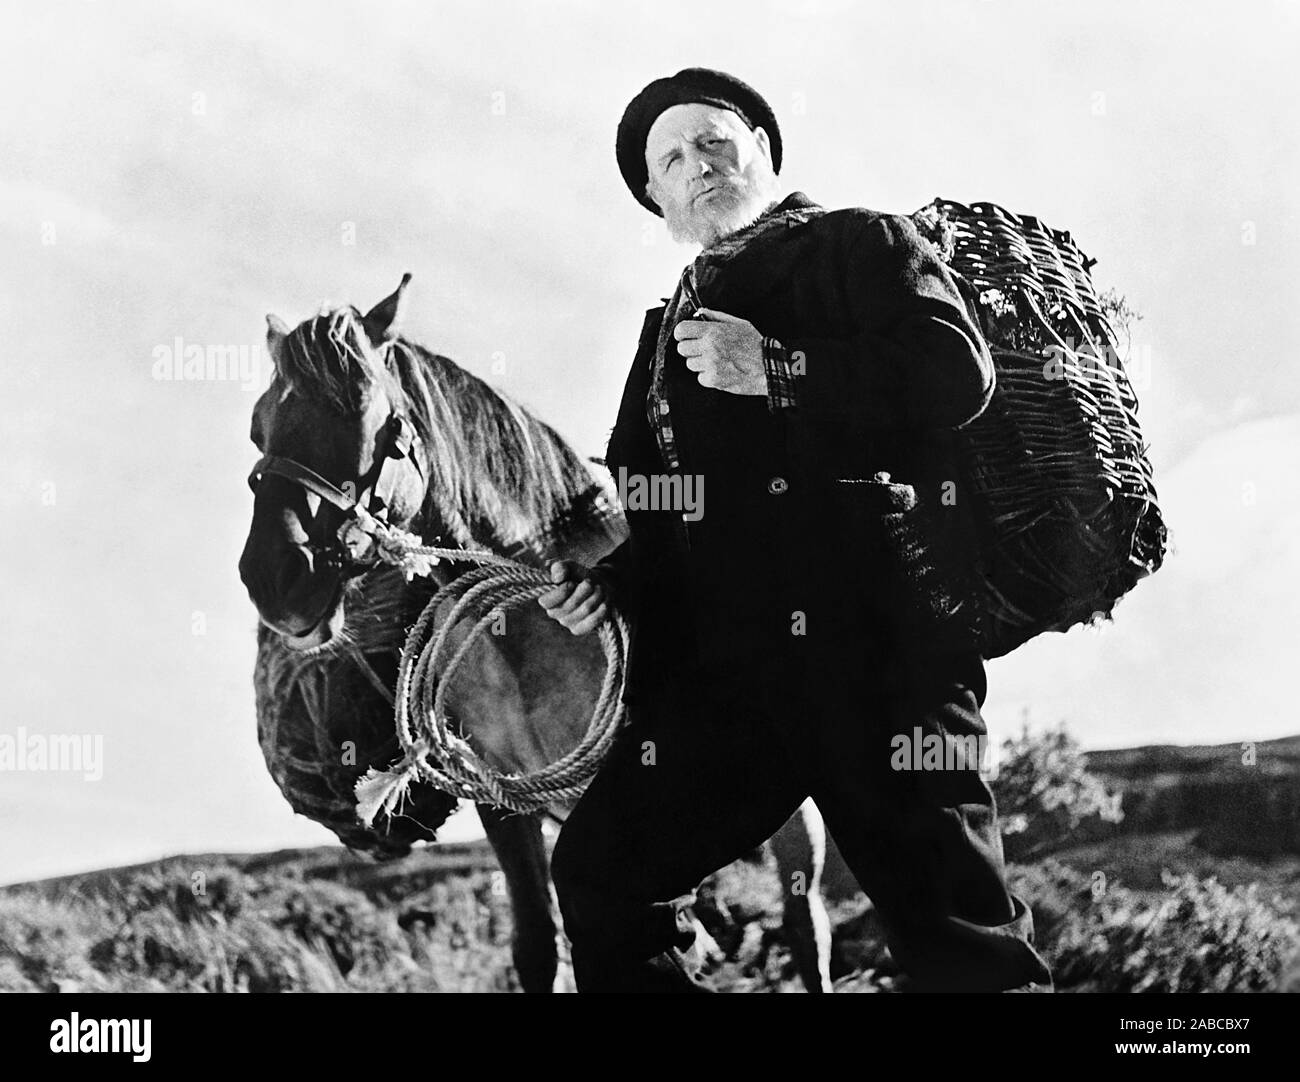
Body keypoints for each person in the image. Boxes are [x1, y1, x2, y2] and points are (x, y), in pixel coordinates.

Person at [539, 67, 1053, 993]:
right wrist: (610, 582)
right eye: (670, 159)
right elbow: (662, 509)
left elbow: (954, 373)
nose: (696, 164)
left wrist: (780, 368)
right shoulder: (661, 335)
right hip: (727, 685)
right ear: (655, 197)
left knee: (960, 945)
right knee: (601, 876)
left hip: (878, 659)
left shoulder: (859, 243)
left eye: (712, 140)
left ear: (762, 151)